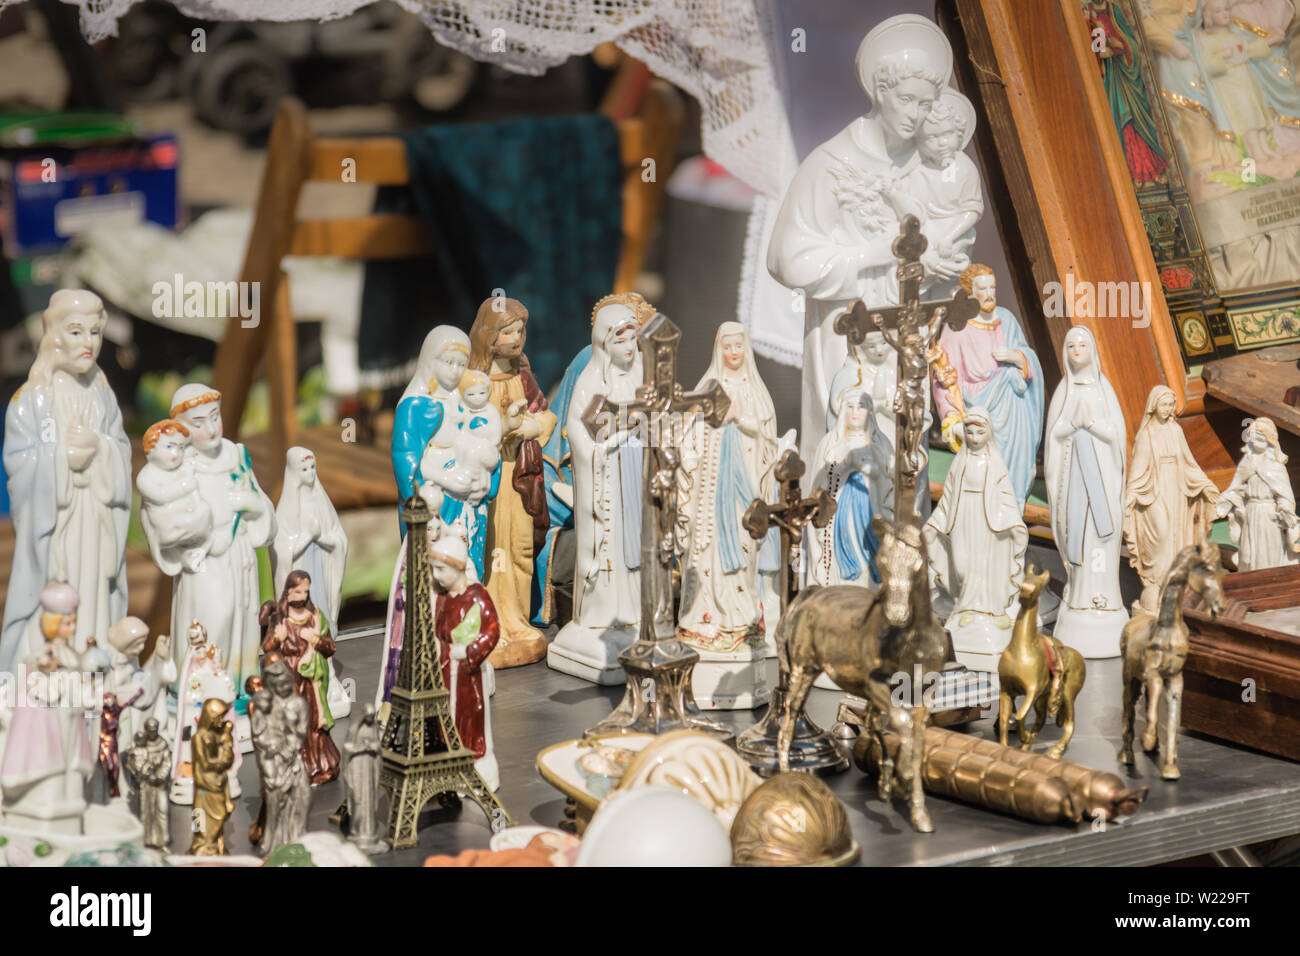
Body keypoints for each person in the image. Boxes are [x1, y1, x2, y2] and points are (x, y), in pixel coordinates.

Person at [766, 16, 964, 468]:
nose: (916, 114)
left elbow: (945, 238)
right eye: (907, 100)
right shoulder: (830, 163)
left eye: (926, 103)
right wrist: (870, 255)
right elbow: (786, 258)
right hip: (845, 329)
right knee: (847, 450)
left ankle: (905, 532)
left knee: (905, 448)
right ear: (879, 91)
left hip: (908, 326)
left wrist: (943, 261)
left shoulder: (929, 163)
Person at [1, 290, 131, 672]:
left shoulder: (103, 395)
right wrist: (60, 460)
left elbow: (121, 450)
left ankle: (94, 663)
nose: (88, 343)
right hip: (58, 525)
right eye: (76, 332)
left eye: (95, 332)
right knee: (61, 590)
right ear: (54, 334)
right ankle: (53, 668)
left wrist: (102, 449)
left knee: (93, 597)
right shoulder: (32, 400)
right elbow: (18, 464)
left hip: (95, 519)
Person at [548, 294, 647, 682]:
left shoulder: (639, 375)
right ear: (604, 342)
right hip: (606, 484)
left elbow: (650, 423)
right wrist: (607, 445)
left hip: (632, 482)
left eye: (632, 339)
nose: (628, 347)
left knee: (634, 552)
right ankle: (602, 619)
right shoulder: (591, 379)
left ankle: (634, 616)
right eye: (620, 340)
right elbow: (577, 432)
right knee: (609, 552)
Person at [167, 383, 276, 695]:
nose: (212, 429)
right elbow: (166, 520)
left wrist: (252, 504)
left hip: (238, 554)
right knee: (215, 618)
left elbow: (263, 509)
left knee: (243, 620)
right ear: (182, 429)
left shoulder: (236, 456)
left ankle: (240, 686)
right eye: (198, 424)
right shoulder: (179, 467)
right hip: (207, 560)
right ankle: (206, 691)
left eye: (215, 417)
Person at [677, 323, 779, 651]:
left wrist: (739, 419)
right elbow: (689, 431)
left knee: (742, 548)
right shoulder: (709, 386)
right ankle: (705, 619)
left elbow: (767, 441)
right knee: (707, 549)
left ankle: (740, 619)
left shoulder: (756, 391)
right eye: (727, 347)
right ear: (717, 349)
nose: (733, 353)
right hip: (709, 488)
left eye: (738, 346)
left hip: (743, 488)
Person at [467, 297, 556, 667]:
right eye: (508, 331)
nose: (517, 338)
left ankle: (517, 620)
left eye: (520, 331)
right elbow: (465, 428)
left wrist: (535, 426)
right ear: (490, 335)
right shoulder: (473, 380)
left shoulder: (523, 373)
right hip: (489, 480)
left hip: (519, 474)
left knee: (518, 547)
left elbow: (545, 415)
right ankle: (488, 623)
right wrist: (501, 430)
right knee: (489, 550)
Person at [929, 264, 1044, 509]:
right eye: (983, 289)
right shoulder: (956, 328)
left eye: (993, 287)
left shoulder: (1007, 320)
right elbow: (944, 377)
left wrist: (1017, 358)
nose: (990, 293)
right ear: (970, 292)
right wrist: (952, 419)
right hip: (978, 417)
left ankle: (1012, 522)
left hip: (1013, 416)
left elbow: (1027, 358)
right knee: (981, 490)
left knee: (1012, 486)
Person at [1045, 326, 1129, 656]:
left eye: (1083, 344)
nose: (1077, 350)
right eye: (1071, 345)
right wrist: (1071, 426)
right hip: (1074, 488)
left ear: (1093, 350)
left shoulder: (1103, 391)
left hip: (1102, 488)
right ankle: (1079, 599)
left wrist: (1092, 425)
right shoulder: (1063, 393)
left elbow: (1118, 440)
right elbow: (1052, 440)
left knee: (1101, 541)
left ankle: (1105, 602)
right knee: (1077, 539)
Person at [925, 407, 1028, 623]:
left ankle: (989, 610)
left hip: (987, 522)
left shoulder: (995, 464)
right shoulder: (960, 462)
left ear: (988, 433)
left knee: (985, 565)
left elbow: (1006, 496)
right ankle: (965, 606)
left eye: (979, 433)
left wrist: (1014, 523)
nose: (974, 438)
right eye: (969, 432)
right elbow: (948, 498)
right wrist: (935, 524)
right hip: (962, 518)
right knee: (962, 565)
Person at [1124, 385, 1220, 611]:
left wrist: (1204, 484)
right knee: (1161, 536)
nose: (1167, 409)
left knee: (1176, 537)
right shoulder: (1147, 435)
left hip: (1176, 488)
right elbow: (1138, 469)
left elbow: (1188, 462)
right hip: (1155, 492)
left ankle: (1176, 582)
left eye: (1170, 405)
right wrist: (1131, 494)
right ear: (1153, 406)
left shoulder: (1176, 431)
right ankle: (1155, 582)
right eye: (1163, 404)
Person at [430, 534, 501, 790]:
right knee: (447, 717)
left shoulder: (477, 596)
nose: (436, 575)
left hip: (469, 673)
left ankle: (475, 760)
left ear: (458, 567)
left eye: (441, 569)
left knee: (471, 716)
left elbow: (491, 631)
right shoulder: (443, 598)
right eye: (434, 569)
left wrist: (468, 651)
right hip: (446, 669)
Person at [807, 387, 895, 587]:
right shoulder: (829, 443)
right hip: (841, 511)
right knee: (844, 548)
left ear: (870, 412)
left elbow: (890, 483)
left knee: (871, 550)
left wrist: (871, 471)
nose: (855, 412)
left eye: (861, 407)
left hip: (871, 509)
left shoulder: (881, 444)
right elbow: (819, 485)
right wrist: (846, 465)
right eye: (850, 407)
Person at [260, 570, 341, 786]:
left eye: (306, 591)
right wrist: (279, 637)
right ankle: (296, 767)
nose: (302, 596)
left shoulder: (315, 616)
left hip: (312, 678)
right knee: (294, 723)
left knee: (315, 723)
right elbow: (267, 647)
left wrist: (314, 638)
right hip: (290, 678)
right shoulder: (281, 618)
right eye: (297, 591)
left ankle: (320, 765)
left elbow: (330, 646)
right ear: (288, 592)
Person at [1216, 416, 1300, 571]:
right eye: (1254, 438)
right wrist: (1230, 500)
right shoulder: (1246, 463)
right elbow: (1237, 489)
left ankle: (1272, 582)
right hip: (1251, 513)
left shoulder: (1276, 466)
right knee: (1248, 554)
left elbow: (1284, 496)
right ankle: (1250, 580)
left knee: (1268, 552)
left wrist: (1285, 509)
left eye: (1261, 438)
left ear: (1270, 440)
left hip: (1269, 516)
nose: (1257, 441)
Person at [136, 419, 212, 574]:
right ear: (151, 447)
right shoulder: (146, 476)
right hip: (167, 525)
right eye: (169, 447)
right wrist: (184, 486)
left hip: (187, 521)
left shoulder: (180, 469)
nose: (175, 454)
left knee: (204, 511)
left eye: (180, 448)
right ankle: (188, 547)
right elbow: (160, 496)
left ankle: (197, 550)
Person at [188, 698, 235, 856]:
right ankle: (202, 846)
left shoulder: (219, 734)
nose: (221, 721)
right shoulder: (199, 738)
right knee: (199, 817)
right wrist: (221, 761)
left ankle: (215, 846)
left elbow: (228, 760)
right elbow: (205, 764)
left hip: (217, 782)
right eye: (217, 717)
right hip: (205, 785)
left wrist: (226, 741)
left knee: (220, 815)